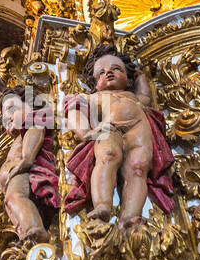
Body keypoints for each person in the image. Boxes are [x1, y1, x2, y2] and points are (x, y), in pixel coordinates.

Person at [62, 44, 174, 224]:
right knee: (107, 156)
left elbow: (146, 97)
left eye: (117, 69)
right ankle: (102, 205)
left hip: (138, 130)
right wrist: (85, 132)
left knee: (138, 168)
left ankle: (130, 216)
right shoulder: (93, 98)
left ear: (127, 77)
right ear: (94, 82)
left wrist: (142, 77)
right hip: (109, 128)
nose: (109, 73)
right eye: (102, 72)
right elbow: (74, 110)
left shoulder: (134, 97)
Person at [0, 88, 59, 241]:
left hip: (22, 171)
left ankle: (36, 231)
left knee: (14, 197)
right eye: (5, 119)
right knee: (10, 202)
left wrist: (26, 160)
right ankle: (26, 234)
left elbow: (35, 133)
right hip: (13, 178)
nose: (9, 119)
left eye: (12, 110)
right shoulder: (19, 135)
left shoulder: (34, 120)